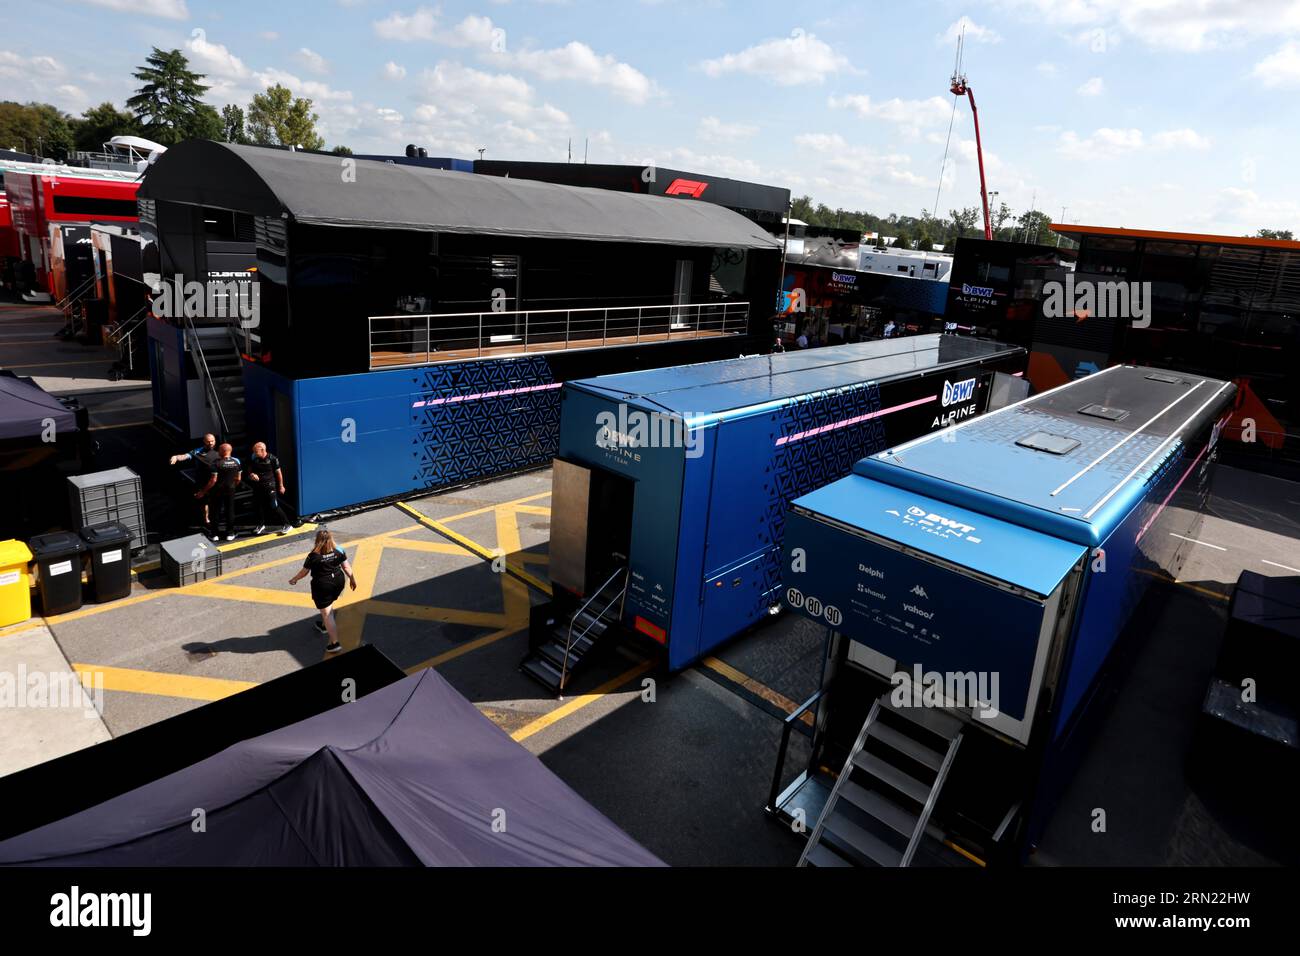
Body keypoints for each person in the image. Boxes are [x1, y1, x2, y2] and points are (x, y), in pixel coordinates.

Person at [289, 528, 356, 654]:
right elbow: (346, 566)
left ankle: (335, 643)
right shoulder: (339, 550)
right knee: (328, 606)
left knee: (327, 614)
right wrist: (352, 579)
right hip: (338, 582)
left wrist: (294, 579)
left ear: (317, 540)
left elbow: (304, 572)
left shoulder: (313, 556)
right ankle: (325, 625)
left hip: (322, 585)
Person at [170, 434, 220, 531]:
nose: (210, 443)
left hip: (215, 480)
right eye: (208, 441)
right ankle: (206, 520)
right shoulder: (198, 451)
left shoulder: (219, 451)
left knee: (215, 501)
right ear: (204, 441)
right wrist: (176, 457)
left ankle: (214, 518)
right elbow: (185, 456)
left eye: (212, 441)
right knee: (204, 502)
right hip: (202, 481)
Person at [244, 441, 292, 535]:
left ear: (262, 450)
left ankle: (287, 524)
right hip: (258, 486)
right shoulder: (254, 458)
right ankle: (261, 525)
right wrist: (251, 475)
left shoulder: (272, 458)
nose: (254, 453)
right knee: (258, 506)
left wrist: (281, 485)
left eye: (255, 451)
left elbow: (279, 473)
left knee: (274, 505)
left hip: (270, 486)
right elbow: (249, 471)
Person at [197, 443, 242, 542]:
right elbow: (238, 478)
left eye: (219, 450)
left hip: (217, 490)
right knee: (230, 511)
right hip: (230, 490)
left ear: (222, 451)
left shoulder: (215, 463)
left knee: (215, 511)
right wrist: (233, 486)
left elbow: (213, 480)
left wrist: (203, 491)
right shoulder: (236, 462)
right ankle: (230, 534)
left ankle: (214, 535)